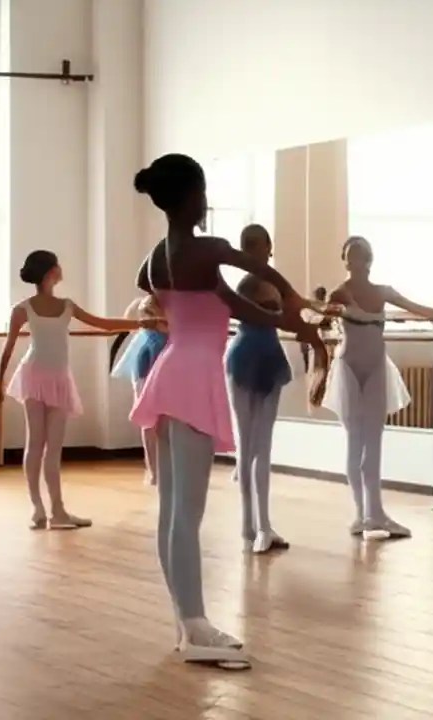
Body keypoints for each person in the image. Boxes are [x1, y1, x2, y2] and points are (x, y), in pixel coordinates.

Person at [131, 153, 327, 669]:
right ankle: (195, 625)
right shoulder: (208, 249)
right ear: (192, 196)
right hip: (194, 378)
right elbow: (265, 272)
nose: (207, 200)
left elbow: (236, 306)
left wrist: (299, 327)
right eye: (203, 191)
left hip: (170, 372)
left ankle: (185, 622)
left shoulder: (157, 258)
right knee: (187, 513)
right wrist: (297, 302)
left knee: (172, 509)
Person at [0, 250, 153, 531]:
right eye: (57, 265)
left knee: (48, 446)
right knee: (38, 443)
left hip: (55, 377)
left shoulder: (64, 305)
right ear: (50, 272)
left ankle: (55, 510)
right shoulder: (23, 309)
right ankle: (39, 508)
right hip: (35, 376)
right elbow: (7, 348)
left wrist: (140, 324)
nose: (61, 268)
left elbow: (104, 325)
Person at [323, 236, 433, 540]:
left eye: (359, 255)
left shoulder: (383, 292)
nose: (354, 261)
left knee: (373, 441)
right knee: (354, 441)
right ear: (345, 261)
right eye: (349, 256)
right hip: (348, 369)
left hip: (376, 369)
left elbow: (419, 309)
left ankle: (376, 513)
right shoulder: (340, 292)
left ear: (369, 260)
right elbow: (320, 318)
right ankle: (361, 514)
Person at [226, 224, 294, 554]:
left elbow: (290, 310)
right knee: (250, 445)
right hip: (248, 358)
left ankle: (259, 525)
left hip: (265, 358)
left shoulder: (271, 282)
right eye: (250, 245)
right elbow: (278, 316)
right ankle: (253, 525)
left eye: (258, 244)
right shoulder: (248, 284)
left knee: (257, 446)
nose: (257, 251)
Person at [111, 294, 168, 484]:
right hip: (146, 363)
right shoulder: (144, 304)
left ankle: (159, 469)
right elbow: (130, 322)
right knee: (148, 420)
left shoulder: (168, 303)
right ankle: (154, 470)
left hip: (160, 362)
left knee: (159, 421)